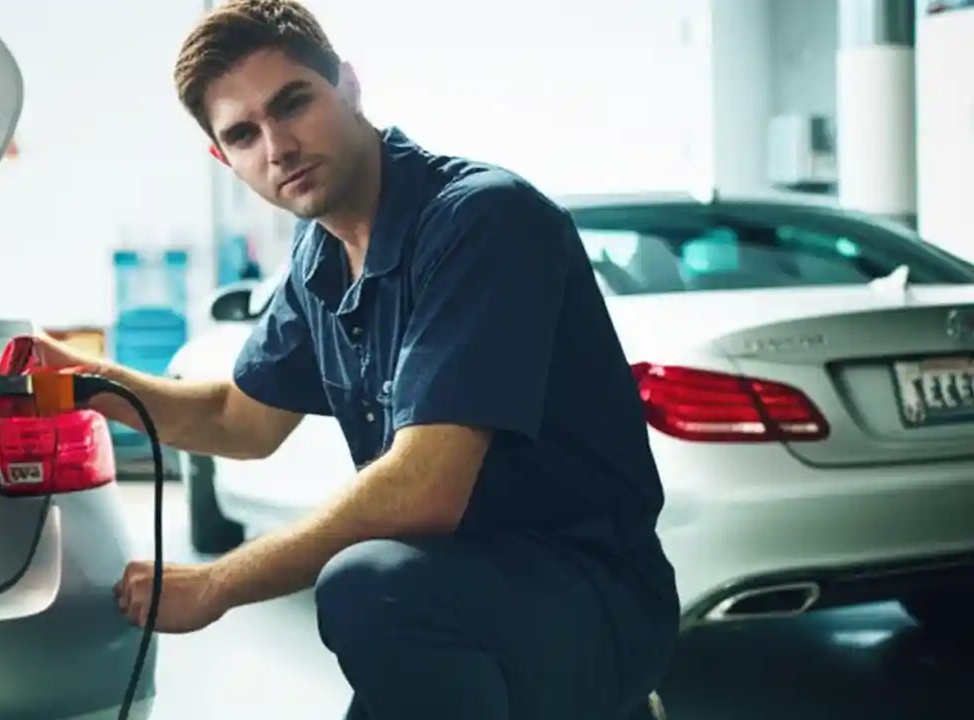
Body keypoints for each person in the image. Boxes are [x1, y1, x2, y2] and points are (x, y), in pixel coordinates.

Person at [35, 0, 679, 716]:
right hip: (457, 597)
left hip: (591, 596)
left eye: (293, 103)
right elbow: (239, 420)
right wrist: (81, 378)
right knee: (383, 595)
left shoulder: (482, 219)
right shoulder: (321, 259)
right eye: (244, 134)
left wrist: (215, 585)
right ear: (225, 159)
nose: (277, 147)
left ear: (347, 84)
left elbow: (423, 488)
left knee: (368, 586)